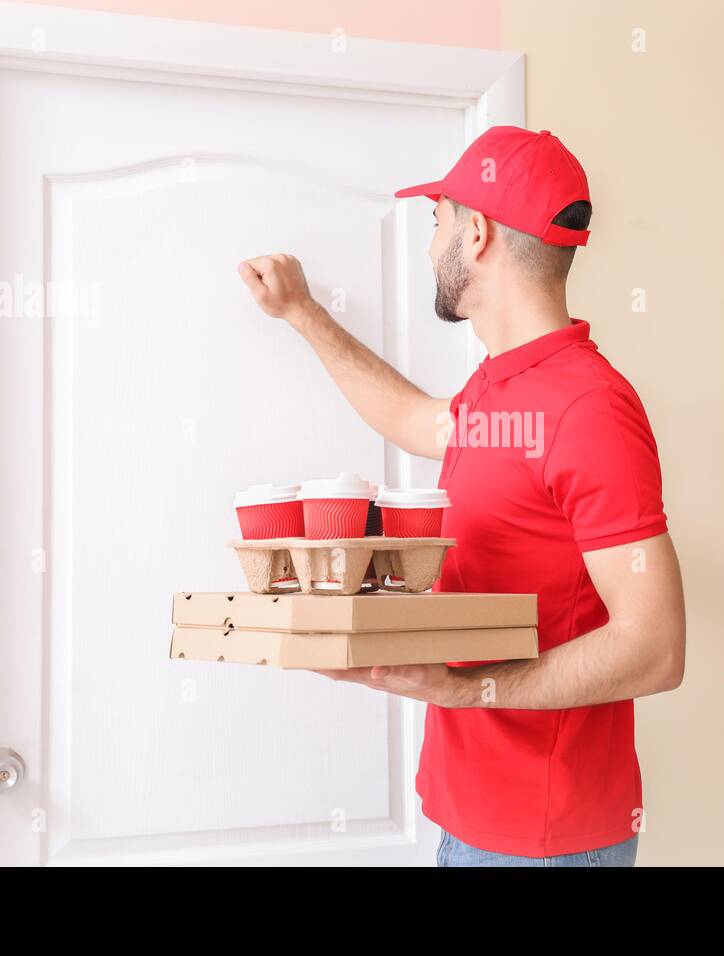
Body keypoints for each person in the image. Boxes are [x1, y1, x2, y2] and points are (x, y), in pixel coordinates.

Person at [237, 126, 685, 867]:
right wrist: (303, 314)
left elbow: (655, 647)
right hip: (468, 818)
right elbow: (414, 419)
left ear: (475, 233)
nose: (428, 244)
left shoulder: (588, 408)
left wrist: (466, 693)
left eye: (435, 219)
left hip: (541, 839)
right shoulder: (502, 388)